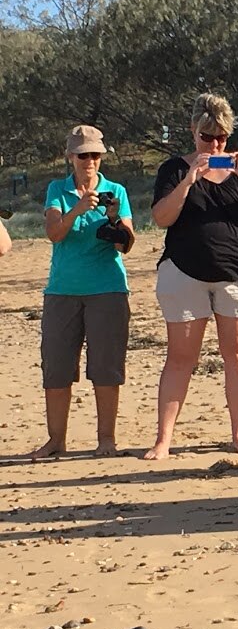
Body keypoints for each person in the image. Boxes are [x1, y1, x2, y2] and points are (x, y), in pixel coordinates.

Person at [144, 93, 238, 460]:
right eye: (207, 137)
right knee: (181, 356)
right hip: (185, 271)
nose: (214, 144)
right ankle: (163, 439)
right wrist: (188, 181)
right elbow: (162, 218)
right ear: (193, 132)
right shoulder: (173, 170)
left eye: (221, 137)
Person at [31, 125, 135, 458]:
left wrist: (115, 221)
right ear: (70, 157)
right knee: (57, 366)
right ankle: (56, 440)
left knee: (106, 365)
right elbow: (54, 233)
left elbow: (127, 244)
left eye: (95, 155)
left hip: (107, 288)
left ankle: (106, 438)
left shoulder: (115, 189)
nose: (89, 161)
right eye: (83, 155)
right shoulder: (57, 190)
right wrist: (78, 208)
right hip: (62, 290)